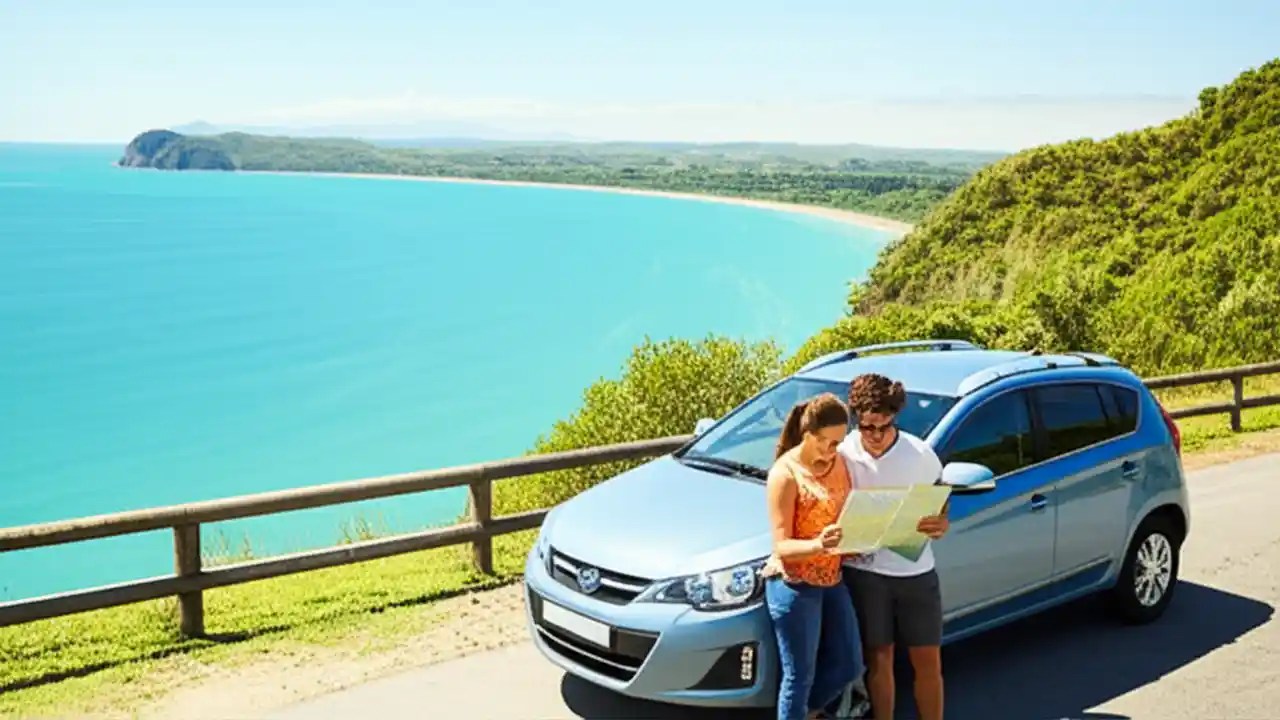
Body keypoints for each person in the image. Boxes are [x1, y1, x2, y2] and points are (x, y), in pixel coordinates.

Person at [839, 373, 950, 720]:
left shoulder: (920, 454)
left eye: (882, 427)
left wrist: (941, 521)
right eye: (866, 427)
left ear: (895, 419)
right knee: (879, 658)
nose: (874, 436)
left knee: (927, 660)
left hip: (915, 573)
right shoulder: (842, 454)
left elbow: (940, 499)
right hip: (866, 574)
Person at [763, 393, 865, 720]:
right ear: (809, 435)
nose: (833, 450)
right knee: (798, 676)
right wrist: (819, 545)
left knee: (850, 662)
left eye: (839, 442)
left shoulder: (840, 464)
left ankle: (808, 712)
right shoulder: (785, 473)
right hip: (794, 584)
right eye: (828, 442)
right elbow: (782, 547)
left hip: (831, 578)